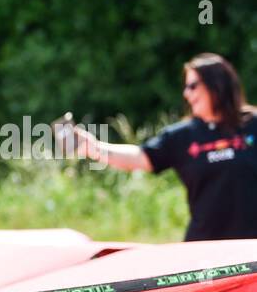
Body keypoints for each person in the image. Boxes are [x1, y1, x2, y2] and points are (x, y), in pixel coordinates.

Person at [60, 53, 257, 241]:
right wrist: (92, 147)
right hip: (204, 251)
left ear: (217, 85)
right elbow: (140, 157)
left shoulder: (253, 125)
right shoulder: (182, 136)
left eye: (193, 86)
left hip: (250, 250)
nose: (186, 93)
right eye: (185, 87)